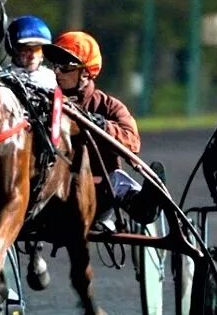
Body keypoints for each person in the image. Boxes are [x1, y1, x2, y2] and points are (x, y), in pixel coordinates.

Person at [48, 30, 150, 232]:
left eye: (65, 67)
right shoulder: (44, 101)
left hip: (98, 194)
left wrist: (103, 126)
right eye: (55, 66)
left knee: (118, 179)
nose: (57, 72)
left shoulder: (108, 106)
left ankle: (142, 205)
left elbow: (133, 143)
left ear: (85, 72)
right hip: (52, 194)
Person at [7, 15, 57, 91]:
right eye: (27, 49)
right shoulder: (3, 80)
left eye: (38, 49)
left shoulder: (52, 79)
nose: (33, 56)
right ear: (14, 49)